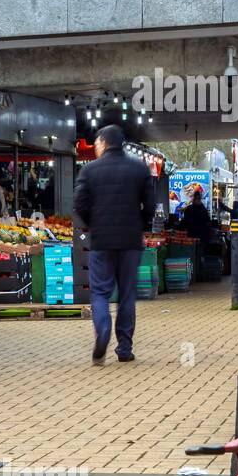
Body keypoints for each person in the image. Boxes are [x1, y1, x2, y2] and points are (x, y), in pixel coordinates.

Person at [73, 124, 158, 365]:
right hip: (130, 241)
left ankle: (103, 329)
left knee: (100, 292)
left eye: (96, 144)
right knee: (127, 294)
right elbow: (150, 206)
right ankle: (124, 348)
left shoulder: (90, 170)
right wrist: (139, 225)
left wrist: (94, 224)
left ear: (103, 143)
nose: (95, 148)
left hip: (102, 241)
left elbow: (79, 204)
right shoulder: (139, 168)